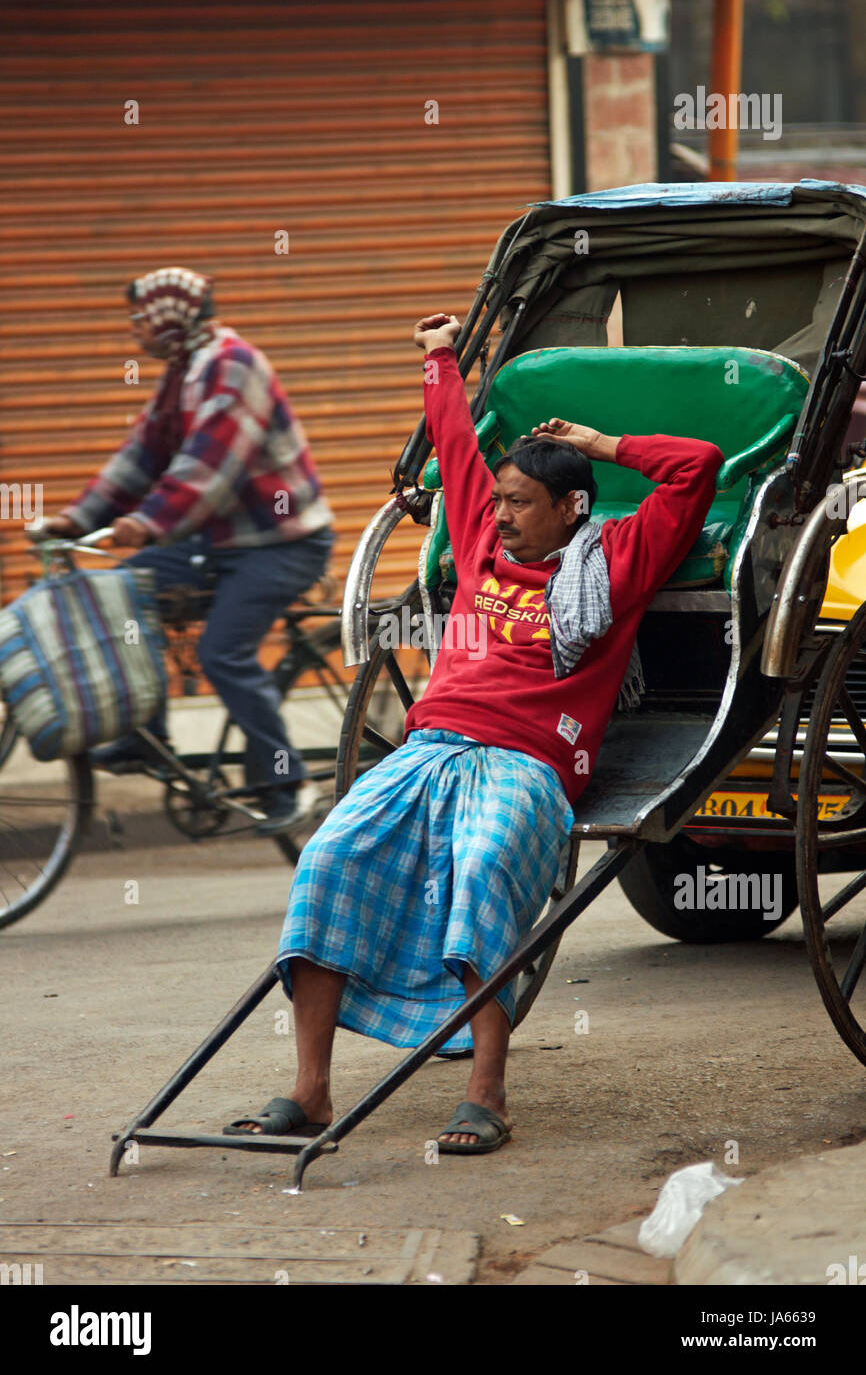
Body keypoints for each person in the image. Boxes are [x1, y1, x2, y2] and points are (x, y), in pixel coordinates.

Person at [223, 312, 723, 1151]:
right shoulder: (484, 543)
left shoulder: (618, 560)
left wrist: (602, 443)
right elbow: (456, 450)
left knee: (486, 866)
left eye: (522, 502)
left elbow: (696, 468)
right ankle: (311, 1091)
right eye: (499, 501)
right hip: (432, 746)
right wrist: (439, 358)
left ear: (573, 508)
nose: (503, 514)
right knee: (329, 858)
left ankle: (486, 1089)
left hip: (530, 763)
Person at [43, 267, 334, 832]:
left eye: (140, 320)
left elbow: (209, 468)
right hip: (218, 540)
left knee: (223, 652)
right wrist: (76, 518)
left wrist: (147, 524)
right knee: (125, 589)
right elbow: (141, 454)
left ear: (171, 318)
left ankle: (286, 782)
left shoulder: (233, 365)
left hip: (283, 543)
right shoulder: (182, 372)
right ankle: (145, 738)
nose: (135, 332)